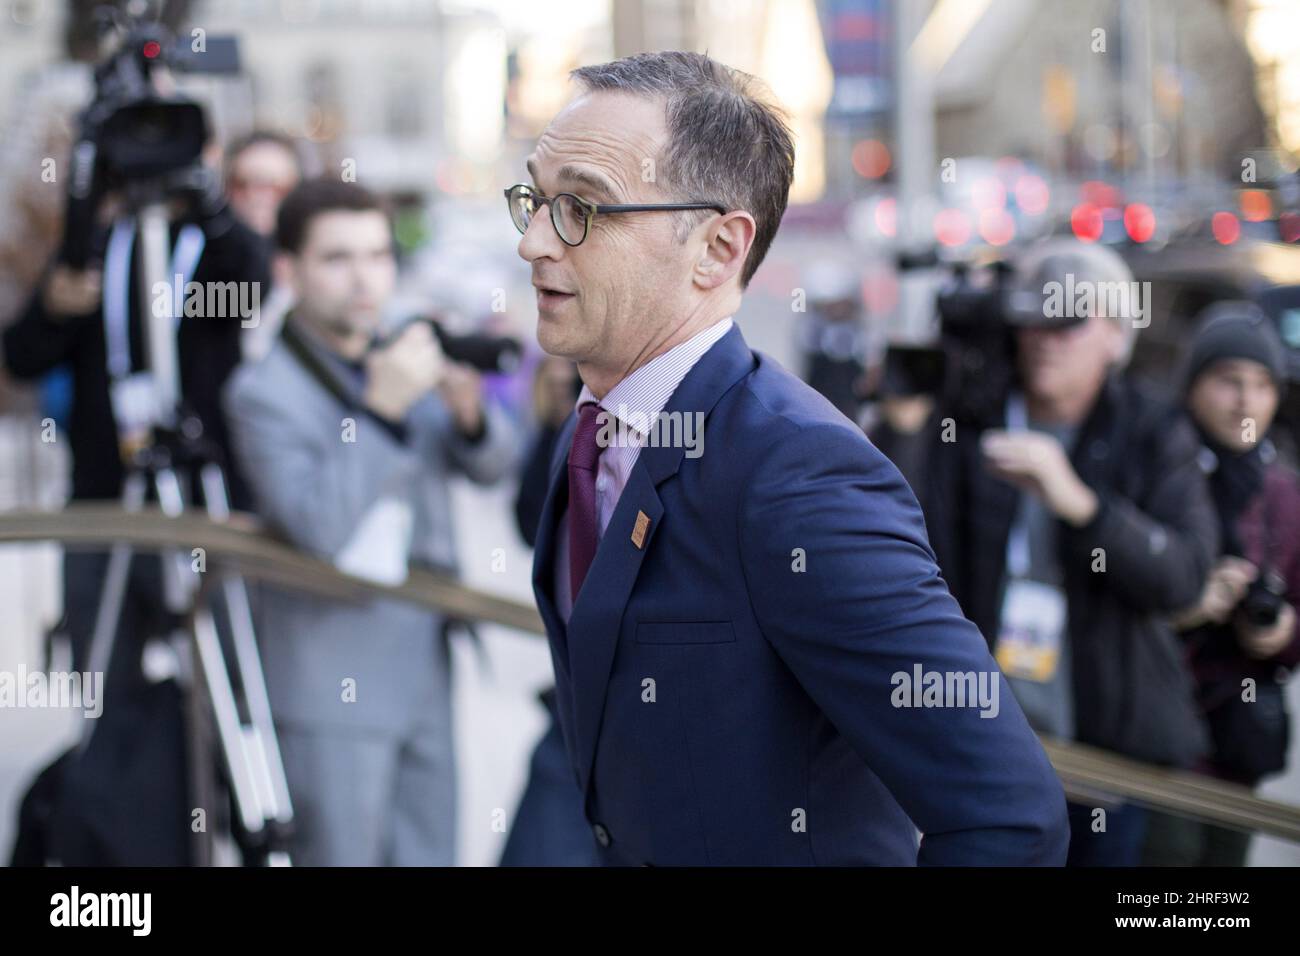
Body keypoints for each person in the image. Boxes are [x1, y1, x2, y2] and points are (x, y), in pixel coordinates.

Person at [509, 51, 1067, 866]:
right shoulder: (592, 425)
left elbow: (1009, 815)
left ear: (717, 248)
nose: (532, 242)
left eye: (582, 208)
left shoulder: (797, 474)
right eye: (535, 198)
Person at [222, 179, 517, 865]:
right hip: (331, 682)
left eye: (379, 255)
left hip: (426, 662)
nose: (365, 278)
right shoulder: (263, 393)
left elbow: (493, 467)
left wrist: (471, 416)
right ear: (288, 270)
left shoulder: (400, 348)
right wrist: (380, 414)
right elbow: (319, 528)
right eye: (337, 258)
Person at [922, 239, 1219, 866]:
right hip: (987, 740)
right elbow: (914, 557)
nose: (1044, 339)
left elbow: (1185, 577)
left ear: (1117, 335)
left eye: (1067, 323)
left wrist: (1082, 504)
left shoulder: (1151, 428)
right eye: (1031, 322)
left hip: (1105, 755)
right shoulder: (968, 420)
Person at [1143, 303, 1300, 866]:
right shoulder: (1155, 472)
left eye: (1262, 385)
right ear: (1192, 385)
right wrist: (1186, 603)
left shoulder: (1284, 493)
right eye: (1228, 381)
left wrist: (1281, 630)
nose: (1246, 400)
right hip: (1158, 733)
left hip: (1241, 738)